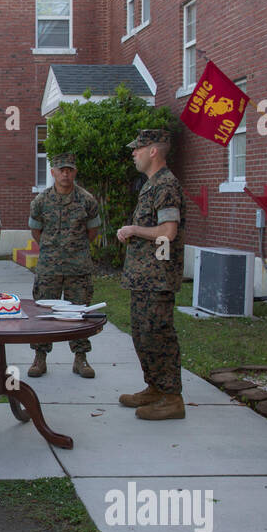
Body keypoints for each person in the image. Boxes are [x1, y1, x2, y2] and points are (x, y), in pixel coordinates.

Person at [116, 129, 185, 420]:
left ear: (153, 151)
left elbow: (167, 232)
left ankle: (172, 398)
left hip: (158, 279)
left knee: (158, 336)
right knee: (143, 335)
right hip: (145, 278)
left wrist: (133, 230)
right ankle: (155, 388)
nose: (134, 153)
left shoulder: (166, 184)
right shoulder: (151, 184)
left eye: (138, 149)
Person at [27, 152, 103, 379]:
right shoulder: (41, 201)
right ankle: (40, 358)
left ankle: (81, 359)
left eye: (69, 169)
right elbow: (36, 231)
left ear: (75, 172)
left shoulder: (87, 200)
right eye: (61, 170)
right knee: (44, 313)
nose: (65, 174)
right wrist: (53, 250)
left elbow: (92, 231)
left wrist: (74, 249)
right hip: (49, 268)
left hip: (78, 268)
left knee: (79, 314)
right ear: (53, 173)